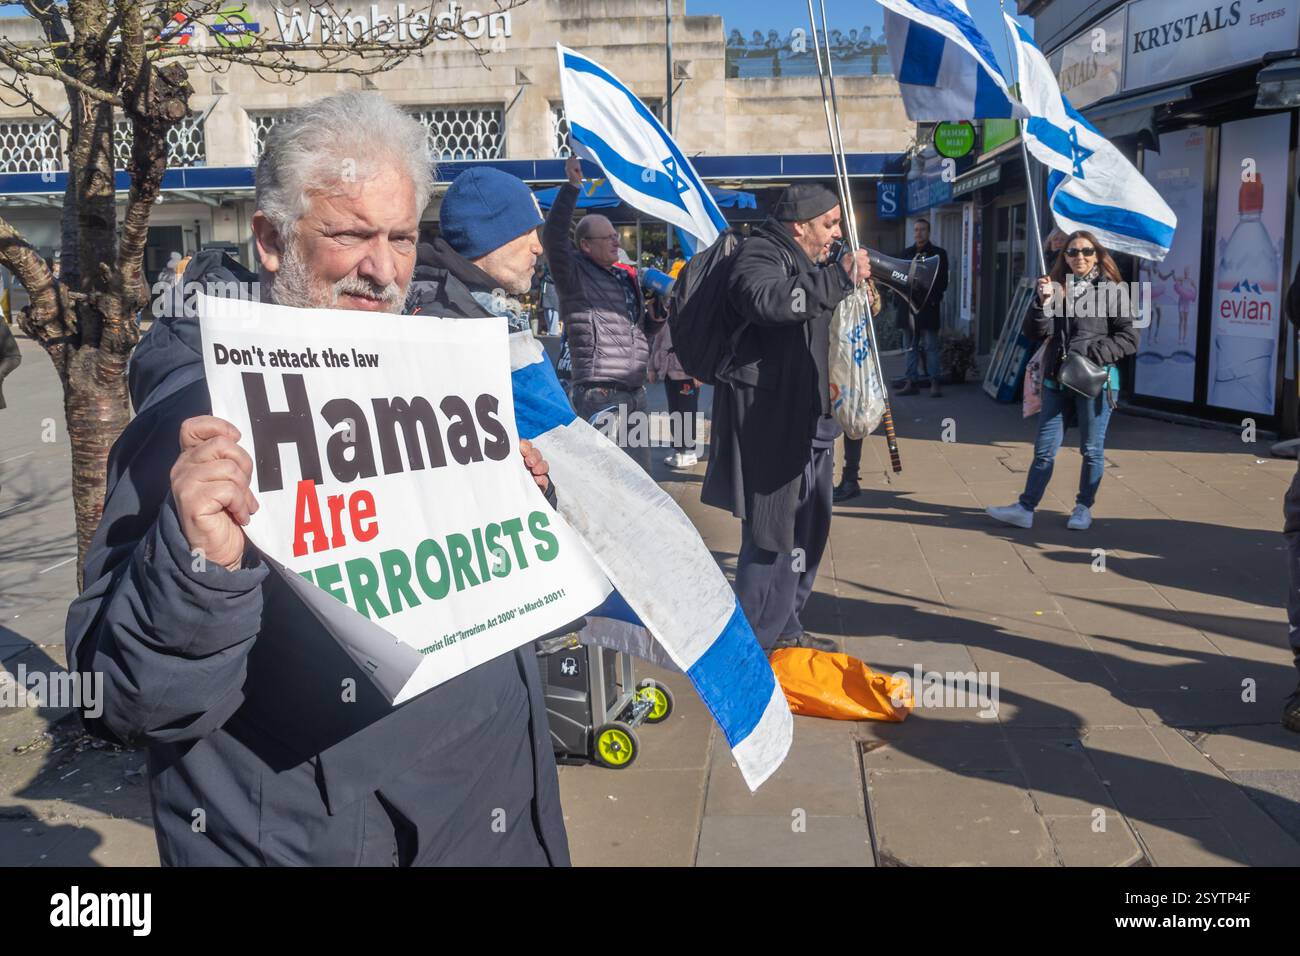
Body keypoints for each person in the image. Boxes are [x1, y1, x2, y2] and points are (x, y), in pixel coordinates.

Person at [65, 92, 570, 867]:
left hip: (498, 809)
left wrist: (521, 502)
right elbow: (127, 700)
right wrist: (199, 564)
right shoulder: (196, 419)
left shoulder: (439, 369)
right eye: (349, 233)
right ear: (270, 240)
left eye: (401, 237)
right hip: (328, 837)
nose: (382, 268)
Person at [702, 183, 872, 653]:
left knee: (809, 528)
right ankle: (750, 648)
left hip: (811, 417)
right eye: (830, 223)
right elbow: (768, 301)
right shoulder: (760, 253)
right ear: (801, 224)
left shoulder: (808, 261)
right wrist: (837, 280)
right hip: (769, 418)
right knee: (770, 532)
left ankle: (787, 625)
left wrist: (857, 298)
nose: (836, 233)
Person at [986, 230, 1138, 533]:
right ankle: (1025, 508)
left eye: (1086, 251)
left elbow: (1129, 338)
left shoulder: (1112, 291)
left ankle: (1083, 507)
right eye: (1072, 252)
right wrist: (1041, 302)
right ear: (1064, 257)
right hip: (1057, 379)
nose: (1079, 257)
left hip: (1097, 381)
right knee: (1044, 449)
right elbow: (1034, 332)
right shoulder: (1056, 288)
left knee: (1092, 450)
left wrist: (1092, 355)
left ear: (1097, 255)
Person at [543, 155, 660, 472]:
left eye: (615, 235)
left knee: (641, 481)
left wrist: (658, 314)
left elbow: (638, 333)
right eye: (607, 237)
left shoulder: (625, 277)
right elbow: (553, 238)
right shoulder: (574, 275)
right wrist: (572, 187)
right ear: (585, 246)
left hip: (635, 393)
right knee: (607, 478)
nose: (616, 240)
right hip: (602, 395)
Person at [895, 217, 949, 397]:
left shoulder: (938, 254)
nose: (919, 233)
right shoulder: (906, 253)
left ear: (929, 231)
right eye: (916, 230)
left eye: (923, 229)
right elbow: (898, 278)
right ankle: (911, 381)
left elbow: (942, 281)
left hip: (928, 307)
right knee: (910, 347)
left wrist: (933, 299)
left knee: (930, 346)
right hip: (908, 307)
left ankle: (935, 381)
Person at [647, 302, 699, 470]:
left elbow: (700, 343)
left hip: (688, 374)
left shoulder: (694, 316)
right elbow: (657, 342)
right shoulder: (667, 317)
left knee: (687, 411)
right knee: (675, 410)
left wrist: (700, 372)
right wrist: (652, 367)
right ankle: (678, 448)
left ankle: (688, 450)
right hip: (668, 371)